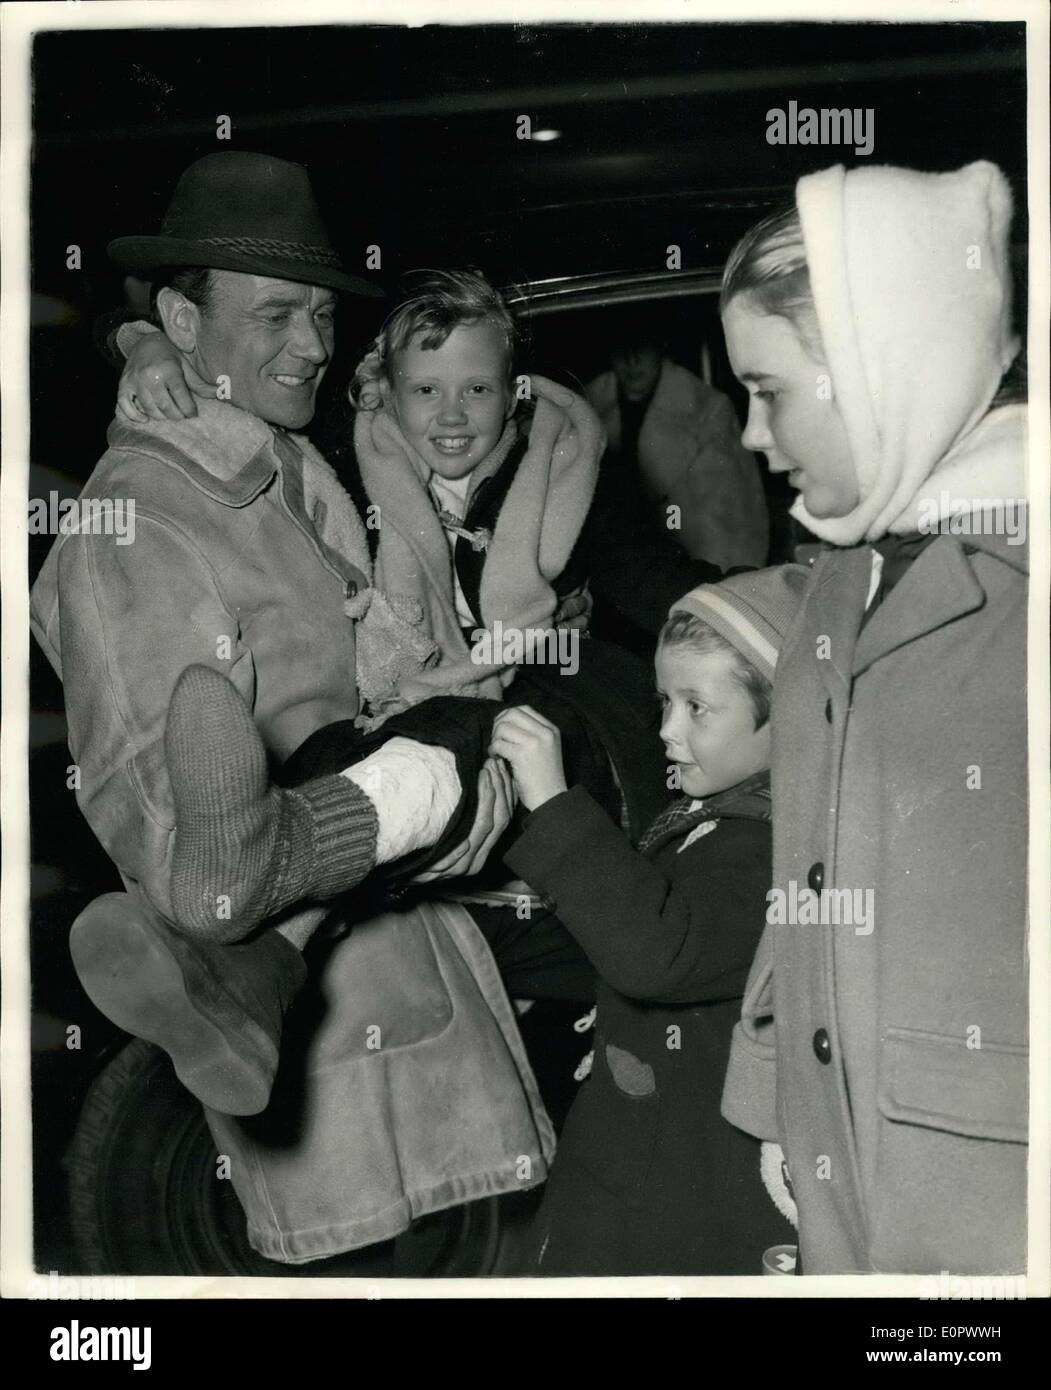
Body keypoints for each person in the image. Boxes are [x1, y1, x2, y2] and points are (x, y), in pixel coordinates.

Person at [717, 160, 1028, 1274]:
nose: (752, 435)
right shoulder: (841, 577)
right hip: (839, 1144)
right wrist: (777, 1091)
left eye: (772, 389)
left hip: (986, 1189)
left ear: (876, 370)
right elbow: (805, 867)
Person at [482, 566, 807, 1274]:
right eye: (663, 702)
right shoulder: (722, 814)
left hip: (689, 1181)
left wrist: (553, 800)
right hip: (648, 1146)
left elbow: (656, 950)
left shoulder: (772, 845)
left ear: (792, 717)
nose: (665, 729)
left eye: (697, 708)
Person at [585, 315, 769, 572]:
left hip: (689, 568)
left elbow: (731, 525)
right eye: (621, 348)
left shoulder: (709, 410)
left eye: (642, 346)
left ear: (659, 347)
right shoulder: (586, 406)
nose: (631, 360)